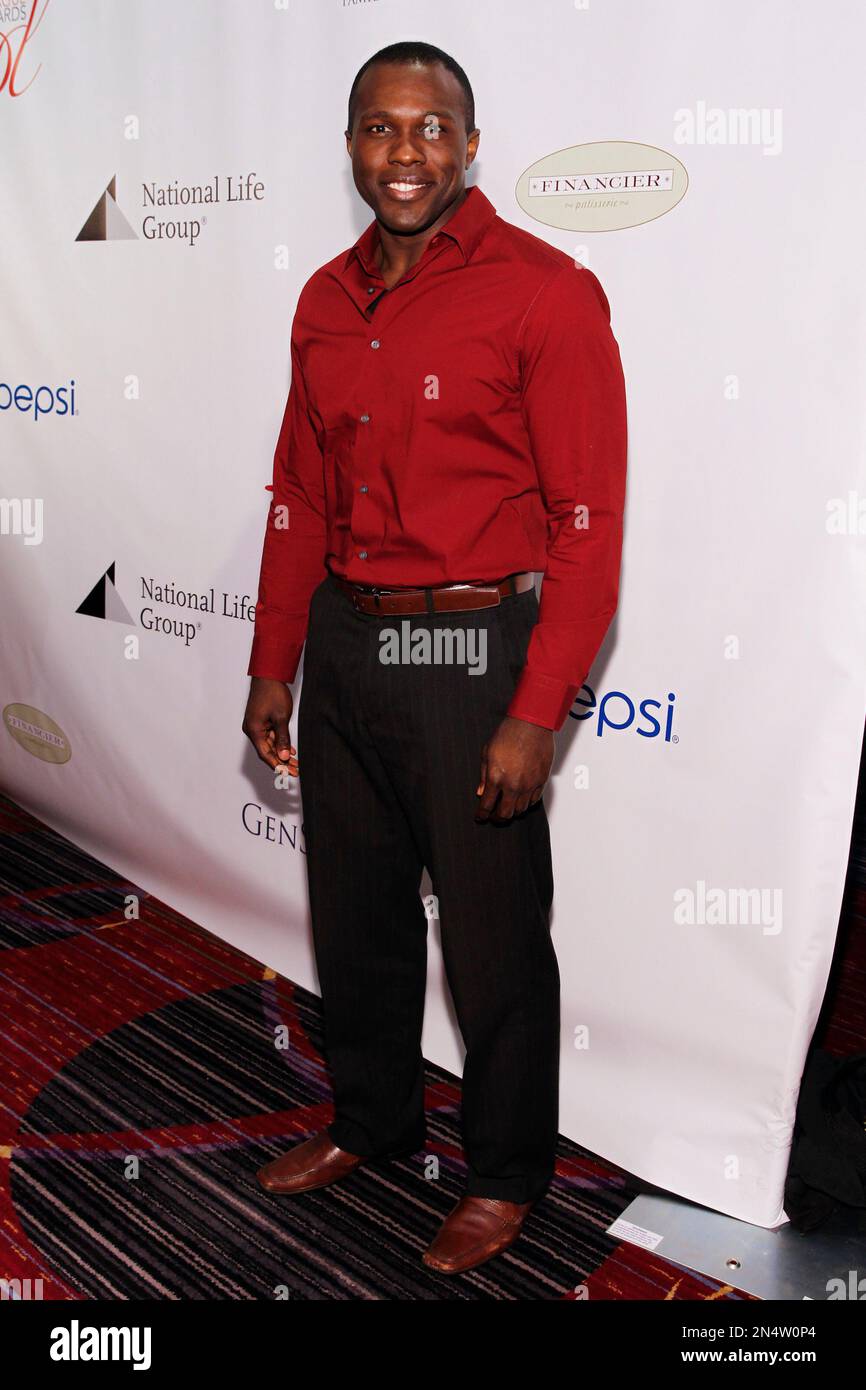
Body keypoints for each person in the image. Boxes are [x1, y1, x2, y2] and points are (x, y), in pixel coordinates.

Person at [242, 39, 628, 1276]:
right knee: (354, 921)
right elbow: (300, 491)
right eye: (377, 127)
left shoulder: (544, 291)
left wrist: (536, 710)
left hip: (474, 649)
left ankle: (506, 1174)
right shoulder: (320, 296)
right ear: (350, 144)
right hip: (350, 640)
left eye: (429, 128)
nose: (402, 152)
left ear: (469, 144)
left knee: (493, 939)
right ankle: (370, 1120)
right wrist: (273, 660)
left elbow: (586, 522)